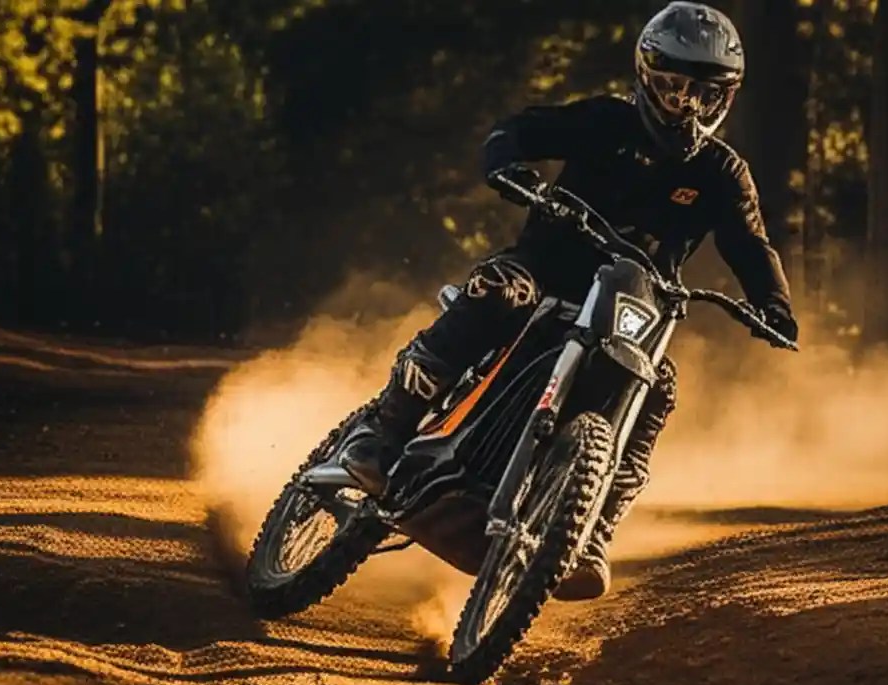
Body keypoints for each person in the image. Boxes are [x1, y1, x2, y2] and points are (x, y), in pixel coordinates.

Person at [340, 1, 798, 600]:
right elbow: (518, 131)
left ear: (725, 99)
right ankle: (382, 432)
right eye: (672, 87)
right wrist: (507, 167)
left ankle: (592, 531)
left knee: (657, 390)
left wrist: (775, 306)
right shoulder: (605, 122)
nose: (685, 105)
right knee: (496, 294)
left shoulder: (721, 172)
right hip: (545, 272)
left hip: (631, 310)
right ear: (646, 78)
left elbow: (750, 243)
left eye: (704, 95)